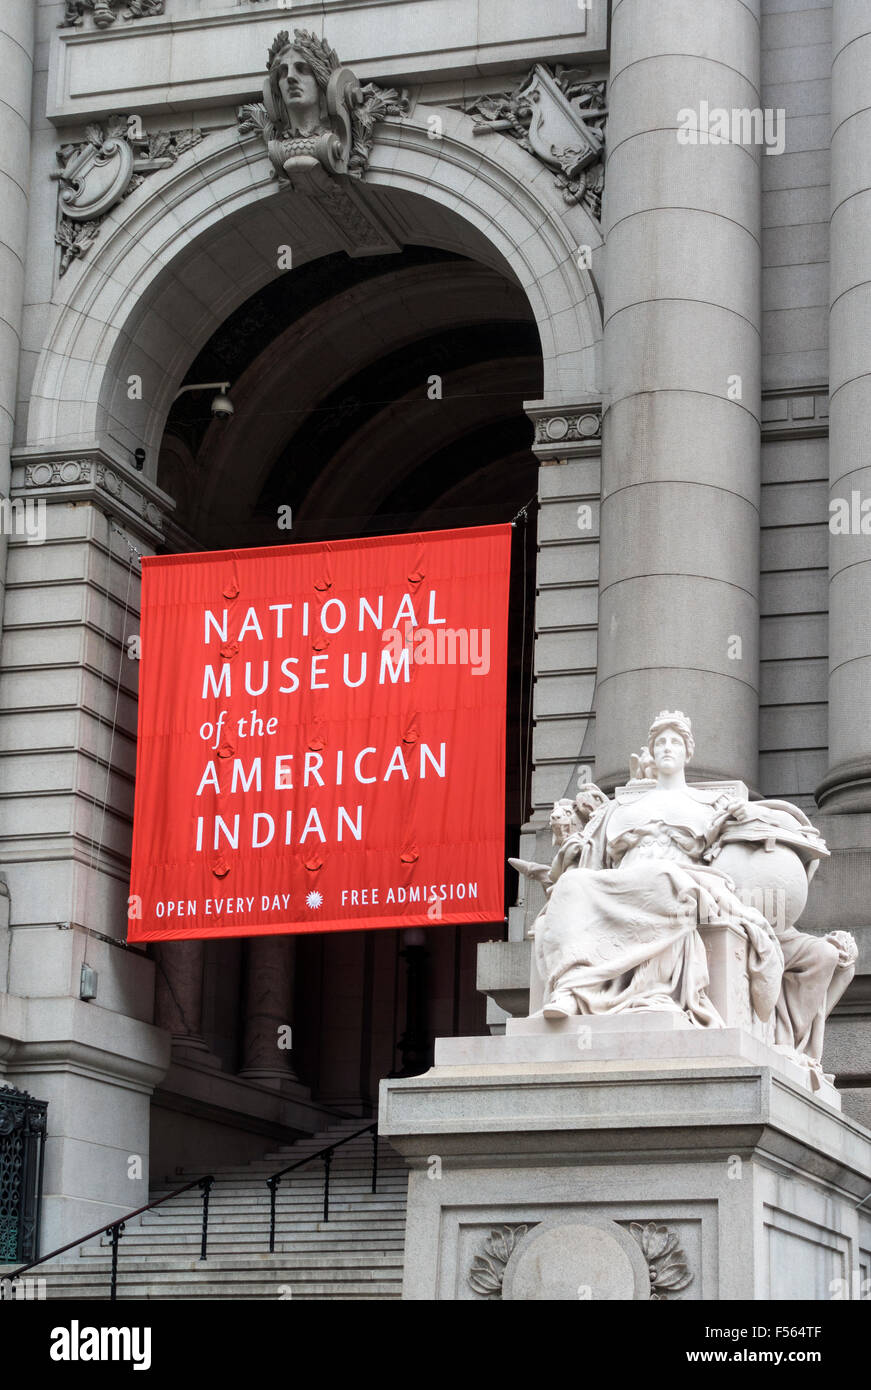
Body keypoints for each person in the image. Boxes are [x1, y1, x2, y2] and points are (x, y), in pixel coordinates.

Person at [525, 712, 783, 1026]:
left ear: (688, 752)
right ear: (652, 750)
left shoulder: (712, 804)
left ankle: (651, 993)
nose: (667, 748)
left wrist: (749, 814)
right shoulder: (622, 808)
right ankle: (569, 990)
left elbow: (776, 831)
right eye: (660, 742)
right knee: (572, 884)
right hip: (621, 884)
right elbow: (591, 860)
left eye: (675, 741)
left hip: (677, 880)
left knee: (665, 879)